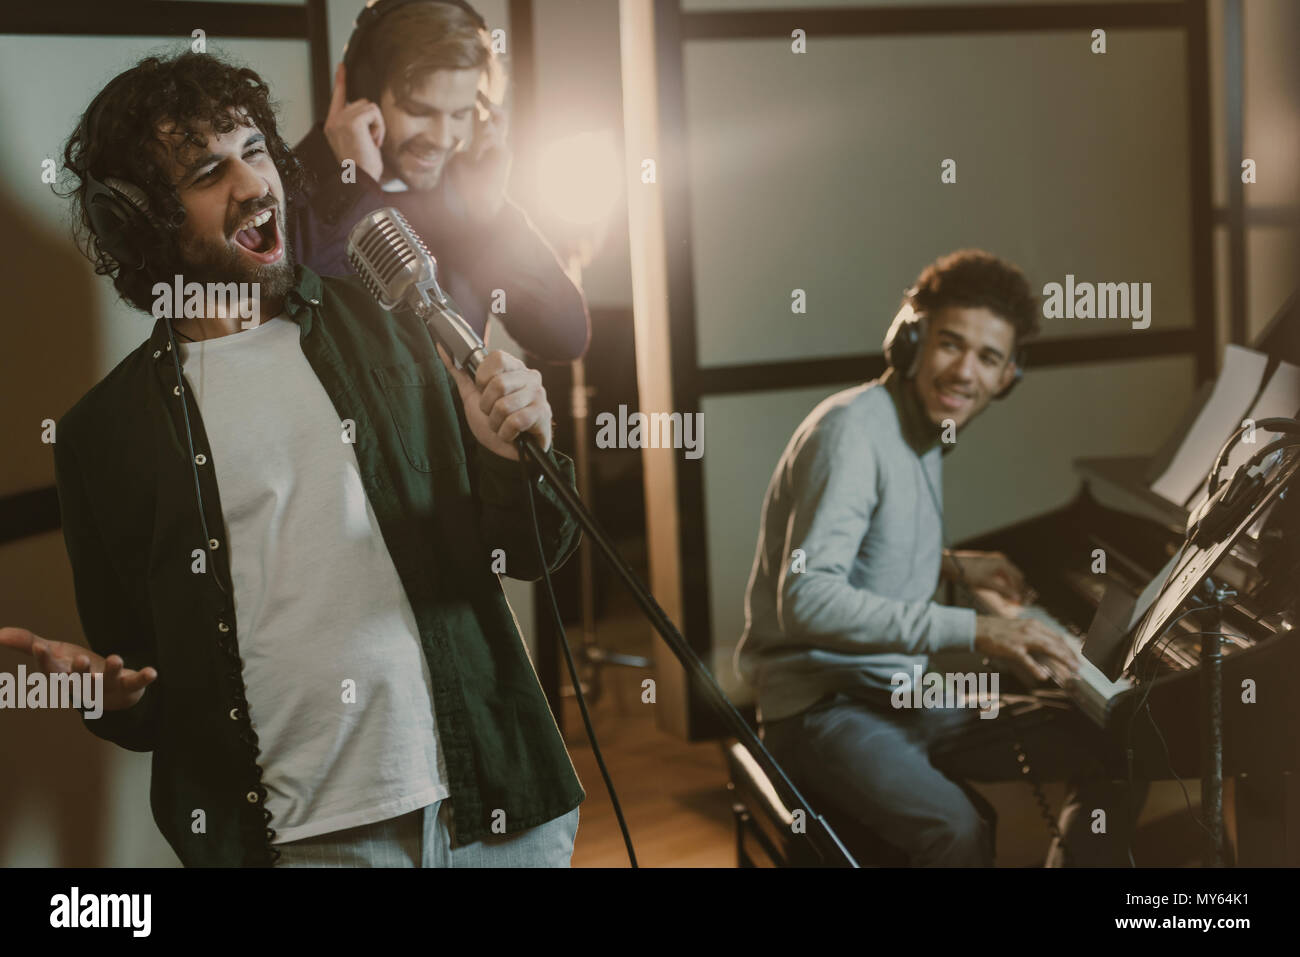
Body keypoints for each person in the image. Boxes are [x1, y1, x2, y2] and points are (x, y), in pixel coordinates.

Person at [0, 50, 584, 868]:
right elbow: (143, 692)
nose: (253, 184)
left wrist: (512, 454)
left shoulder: (397, 324)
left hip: (498, 809)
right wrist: (102, 694)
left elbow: (530, 550)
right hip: (303, 846)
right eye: (209, 170)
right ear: (142, 224)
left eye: (256, 149)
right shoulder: (104, 439)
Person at [733, 249, 1142, 866]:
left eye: (988, 358)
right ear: (910, 341)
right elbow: (807, 598)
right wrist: (979, 630)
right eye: (951, 344)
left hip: (893, 690)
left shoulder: (921, 431)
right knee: (957, 830)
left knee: (1119, 742)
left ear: (1008, 377)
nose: (965, 373)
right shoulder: (850, 432)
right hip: (823, 708)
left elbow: (867, 537)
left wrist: (950, 564)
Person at [289, 0, 589, 362]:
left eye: (460, 114)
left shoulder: (462, 199)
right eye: (419, 111)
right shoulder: (285, 188)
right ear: (359, 91)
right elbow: (298, 324)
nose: (442, 138)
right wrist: (354, 189)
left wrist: (492, 216)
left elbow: (563, 337)